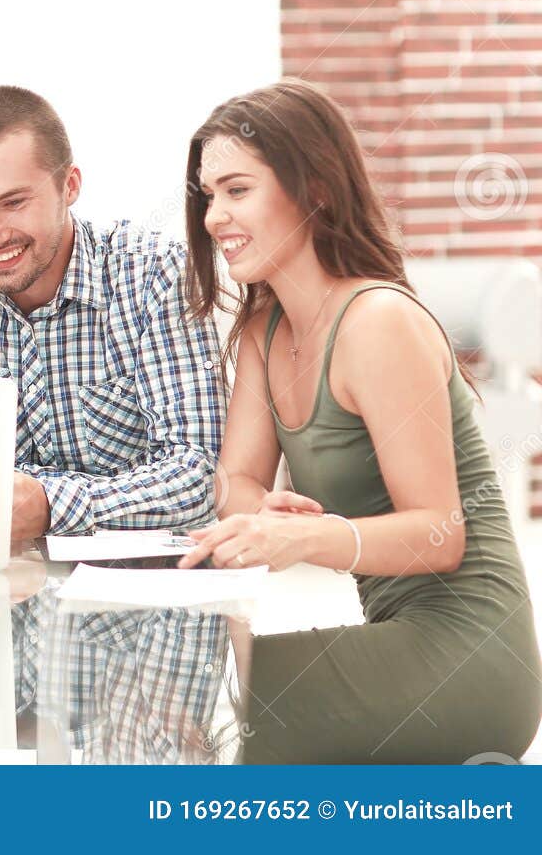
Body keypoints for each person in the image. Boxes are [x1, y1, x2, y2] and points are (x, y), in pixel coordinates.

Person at [174, 78, 541, 763]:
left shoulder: (378, 322)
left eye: (237, 189)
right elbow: (235, 484)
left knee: (203, 701)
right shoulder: (263, 331)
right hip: (400, 638)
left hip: (471, 657)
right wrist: (261, 513)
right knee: (177, 676)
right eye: (208, 195)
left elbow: (439, 536)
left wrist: (305, 537)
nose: (215, 216)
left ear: (313, 189)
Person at [0, 85, 224, 537]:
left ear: (70, 186)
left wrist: (50, 506)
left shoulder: (154, 273)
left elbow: (200, 474)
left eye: (13, 202)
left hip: (140, 575)